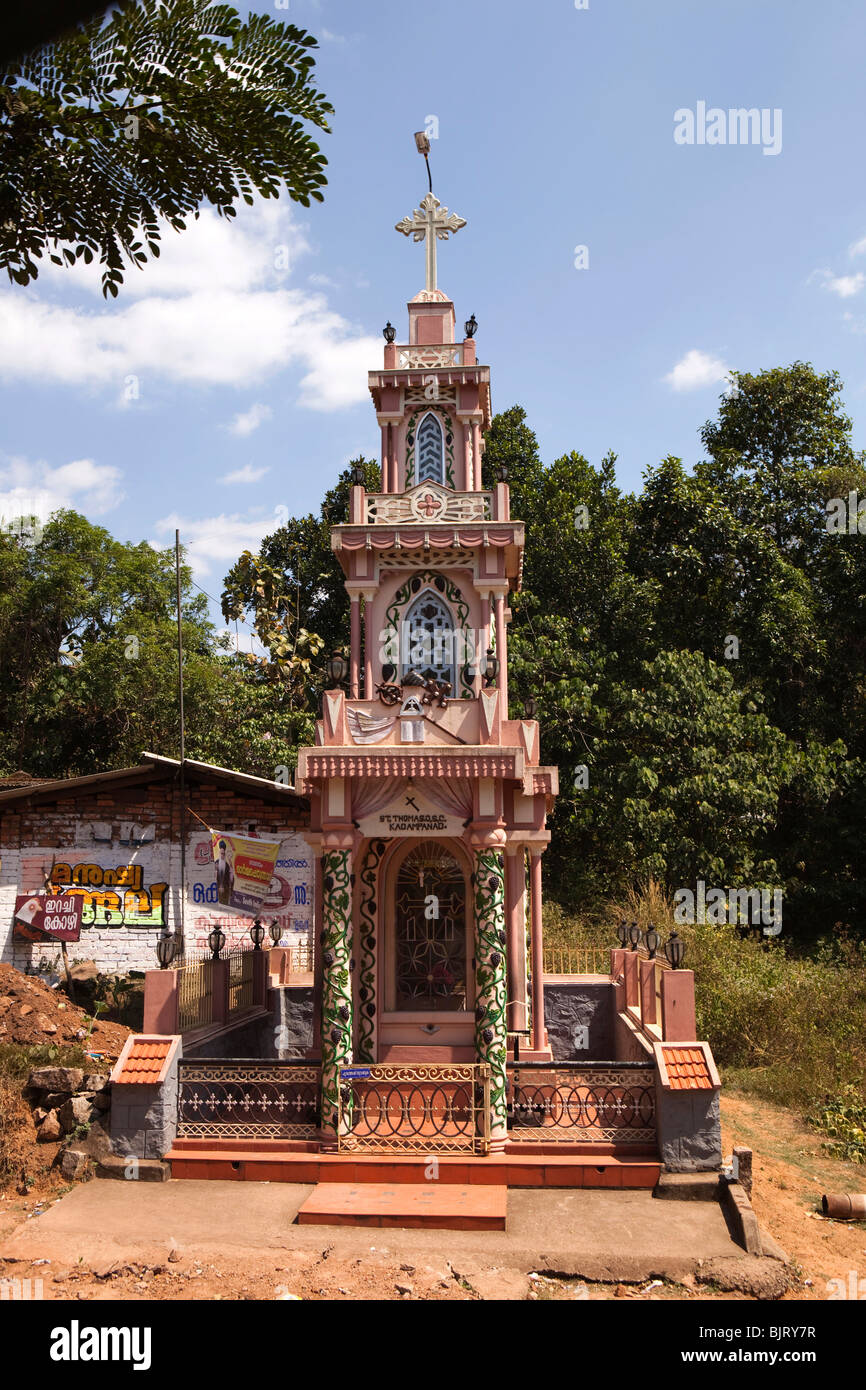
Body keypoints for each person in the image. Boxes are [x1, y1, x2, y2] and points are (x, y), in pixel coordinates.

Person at [215, 840, 234, 905]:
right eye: (221, 854)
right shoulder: (216, 863)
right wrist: (220, 885)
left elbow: (231, 877)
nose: (222, 856)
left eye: (223, 854)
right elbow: (216, 875)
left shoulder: (227, 865)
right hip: (218, 889)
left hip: (226, 890)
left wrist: (230, 863)